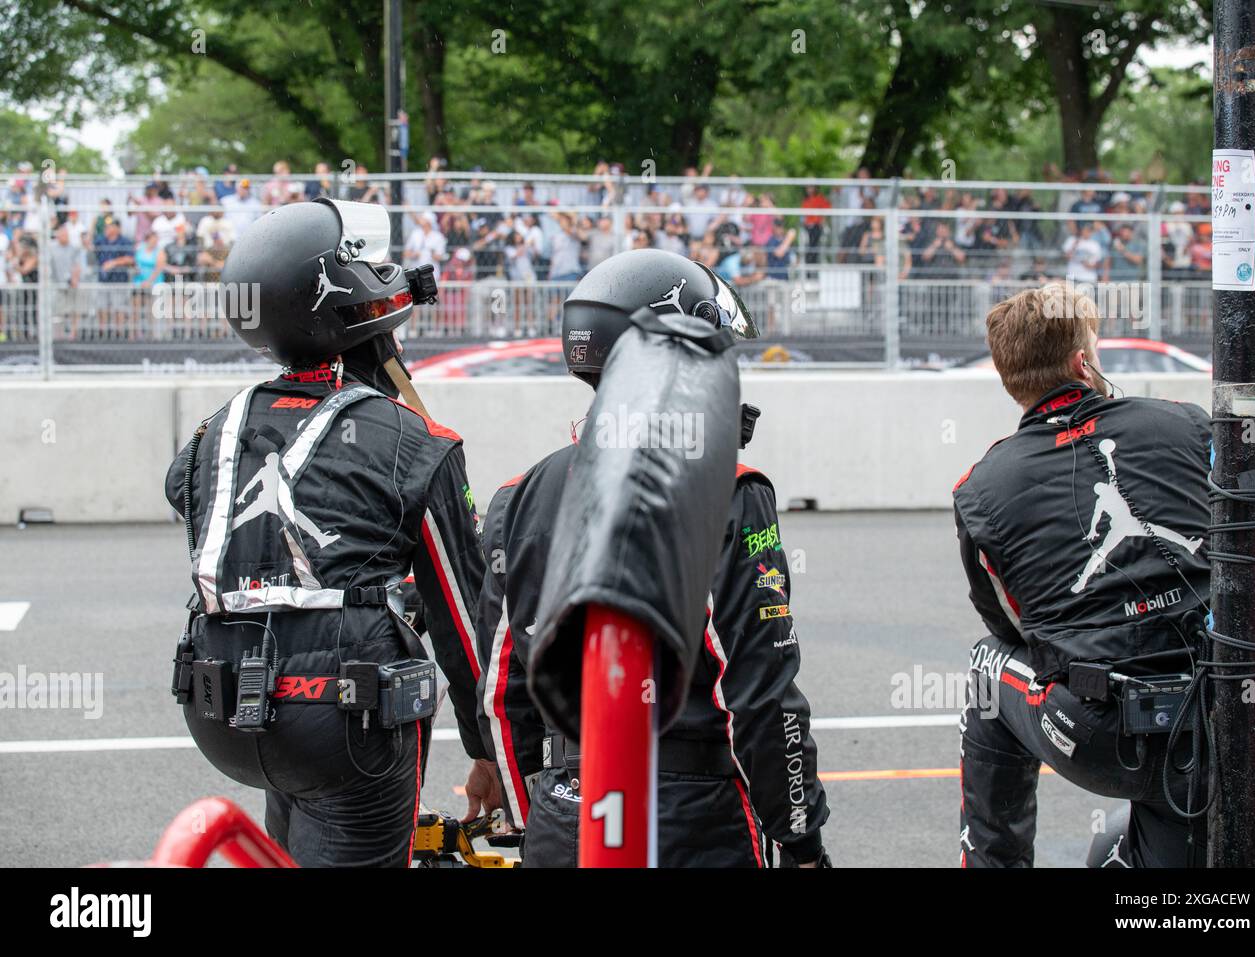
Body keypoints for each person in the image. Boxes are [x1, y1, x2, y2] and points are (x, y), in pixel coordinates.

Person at [164, 197, 495, 867]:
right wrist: (492, 753)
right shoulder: (415, 440)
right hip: (343, 723)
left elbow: (191, 497)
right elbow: (463, 625)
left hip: (223, 716)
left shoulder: (214, 431)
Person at [474, 249, 831, 868]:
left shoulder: (517, 497)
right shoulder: (729, 489)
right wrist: (801, 840)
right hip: (695, 819)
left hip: (566, 815)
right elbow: (761, 694)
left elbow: (503, 696)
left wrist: (544, 817)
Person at [954, 282, 1210, 868]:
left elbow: (1013, 627)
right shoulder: (1186, 424)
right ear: (1083, 362)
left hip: (1101, 732)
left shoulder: (979, 488)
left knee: (986, 662)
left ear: (1009, 379)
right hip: (1220, 711)